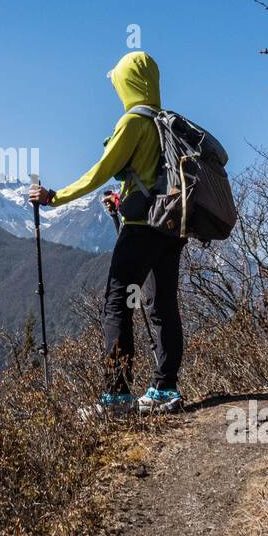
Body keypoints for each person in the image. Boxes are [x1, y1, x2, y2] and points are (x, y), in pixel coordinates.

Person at [29, 50, 185, 413]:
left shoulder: (133, 122)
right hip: (172, 226)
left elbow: (100, 171)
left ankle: (117, 396)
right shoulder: (164, 123)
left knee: (117, 304)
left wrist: (55, 196)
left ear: (125, 83)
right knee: (162, 305)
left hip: (142, 229)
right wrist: (124, 199)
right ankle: (165, 389)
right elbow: (151, 177)